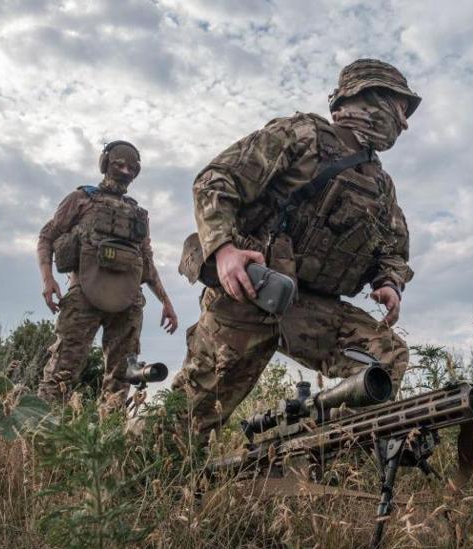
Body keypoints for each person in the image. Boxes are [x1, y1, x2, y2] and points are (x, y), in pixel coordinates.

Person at [174, 59, 420, 442]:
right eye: (400, 108)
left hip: (309, 310)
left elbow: (392, 248)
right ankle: (125, 483)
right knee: (191, 419)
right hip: (249, 294)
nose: (404, 123)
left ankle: (327, 454)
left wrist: (388, 281)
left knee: (384, 357)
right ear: (368, 98)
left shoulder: (380, 185)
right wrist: (223, 250)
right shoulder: (301, 135)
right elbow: (215, 180)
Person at [36, 140, 178, 408]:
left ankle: (110, 441)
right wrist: (48, 279)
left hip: (127, 300)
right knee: (62, 373)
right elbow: (46, 236)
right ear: (105, 165)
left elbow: (146, 261)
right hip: (84, 296)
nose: (125, 171)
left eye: (131, 167)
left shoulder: (137, 214)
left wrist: (166, 301)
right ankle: (41, 440)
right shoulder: (81, 199)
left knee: (122, 378)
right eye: (119, 164)